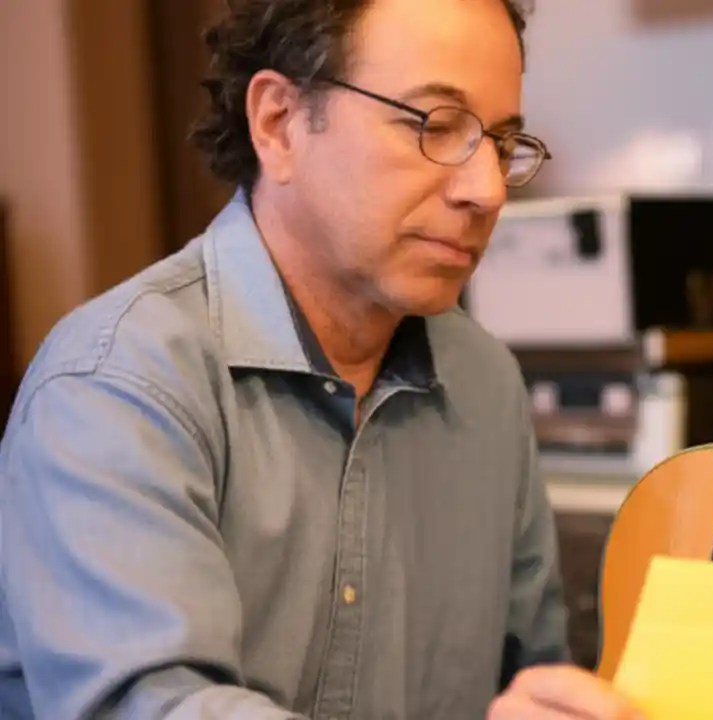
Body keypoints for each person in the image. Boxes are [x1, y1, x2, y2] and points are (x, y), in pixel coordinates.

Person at [0, 0, 643, 717]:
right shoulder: (119, 382)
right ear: (278, 122)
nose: (486, 189)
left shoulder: (485, 382)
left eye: (500, 142)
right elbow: (152, 707)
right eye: (434, 125)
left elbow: (530, 684)